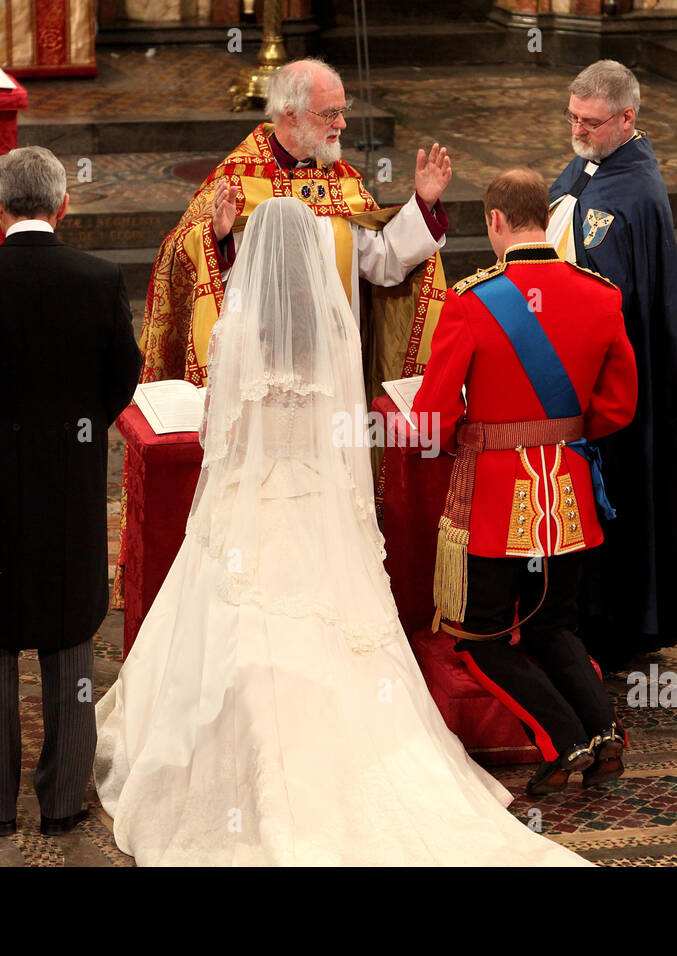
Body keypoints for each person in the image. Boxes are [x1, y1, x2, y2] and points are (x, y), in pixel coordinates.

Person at [94, 197, 588, 866]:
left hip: (250, 507)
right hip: (321, 508)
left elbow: (222, 442)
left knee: (240, 640)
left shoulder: (234, 335)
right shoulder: (335, 336)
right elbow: (348, 443)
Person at [117, 56, 453, 606]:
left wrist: (424, 206)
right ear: (291, 114)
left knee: (329, 495)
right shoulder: (236, 180)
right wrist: (218, 240)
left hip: (332, 378)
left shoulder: (339, 182)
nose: (342, 125)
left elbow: (385, 264)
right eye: (331, 114)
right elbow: (183, 264)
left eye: (343, 113)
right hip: (262, 379)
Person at [0, 146, 142, 836]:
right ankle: (62, 800)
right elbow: (121, 380)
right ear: (63, 204)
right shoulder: (100, 279)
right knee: (70, 639)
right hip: (72, 487)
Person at [413, 169, 638, 796]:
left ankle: (566, 740)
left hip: (494, 500)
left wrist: (467, 432)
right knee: (553, 627)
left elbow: (432, 417)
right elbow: (619, 406)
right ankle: (606, 732)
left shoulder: (471, 298)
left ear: (495, 222)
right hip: (568, 491)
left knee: (480, 639)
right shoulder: (600, 294)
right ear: (547, 214)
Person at [546, 60, 677, 665]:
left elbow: (617, 291)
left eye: (591, 122)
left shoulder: (636, 190)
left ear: (627, 118)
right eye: (573, 118)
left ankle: (622, 625)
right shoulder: (588, 166)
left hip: (620, 375)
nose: (580, 130)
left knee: (624, 489)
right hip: (574, 362)